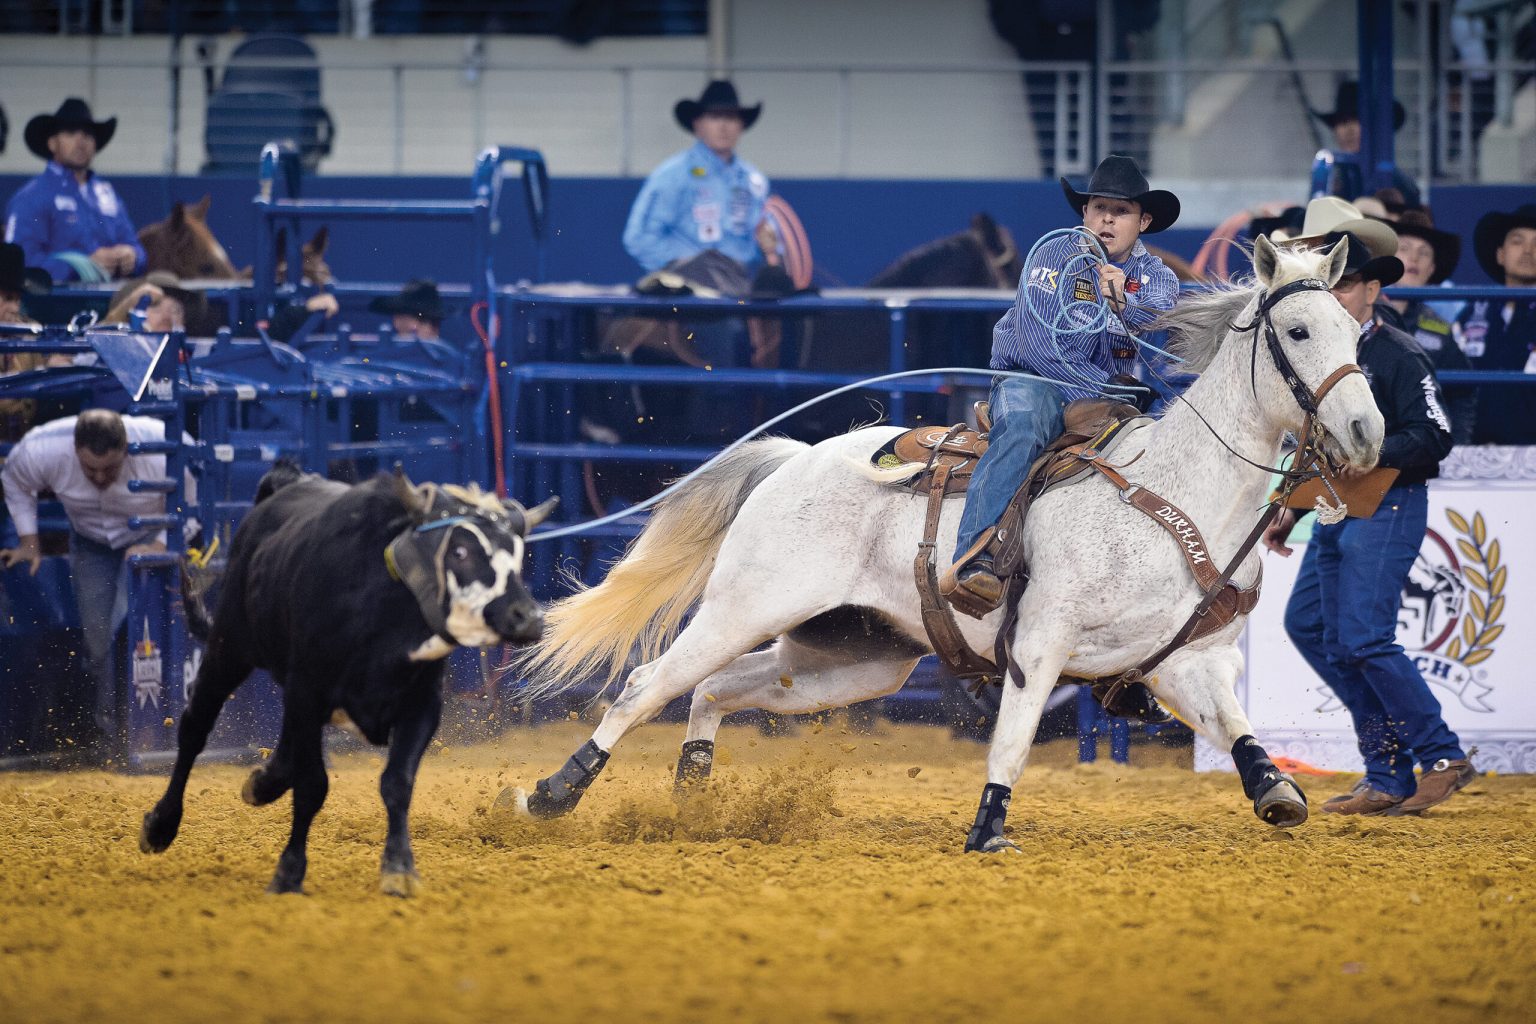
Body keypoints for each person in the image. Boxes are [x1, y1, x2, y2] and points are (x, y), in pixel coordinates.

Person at [1263, 229, 1474, 816]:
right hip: (1345, 507)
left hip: (1388, 503)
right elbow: (1315, 441)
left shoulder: (1399, 353)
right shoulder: (1332, 352)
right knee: (1316, 628)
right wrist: (1292, 505)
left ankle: (1440, 755)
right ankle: (1388, 773)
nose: (1336, 292)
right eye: (1331, 282)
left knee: (1357, 637)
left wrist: (1375, 455)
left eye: (1348, 282)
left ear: (1373, 290)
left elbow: (1436, 435)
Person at [942, 154, 1180, 613]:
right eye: (1099, 208)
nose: (1107, 219)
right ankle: (974, 558)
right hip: (1033, 381)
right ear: (1085, 213)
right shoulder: (1053, 254)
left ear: (1144, 221)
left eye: (1122, 211)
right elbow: (1039, 347)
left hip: (1107, 394)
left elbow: (1160, 316)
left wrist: (1124, 305)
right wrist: (1105, 391)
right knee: (1024, 426)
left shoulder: (1155, 276)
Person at [0, 410, 181, 761]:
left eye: (109, 468)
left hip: (147, 538)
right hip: (90, 542)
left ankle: (149, 733)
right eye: (89, 469)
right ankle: (111, 738)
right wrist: (29, 541)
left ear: (126, 448)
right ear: (74, 449)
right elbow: (14, 479)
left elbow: (194, 487)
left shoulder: (160, 443)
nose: (99, 477)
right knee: (99, 640)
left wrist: (161, 541)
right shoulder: (41, 448)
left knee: (140, 636)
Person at [622, 80, 779, 279]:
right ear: (698, 125)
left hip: (739, 284)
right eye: (714, 117)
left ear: (741, 125)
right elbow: (639, 237)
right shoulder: (673, 174)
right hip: (687, 288)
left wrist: (769, 246)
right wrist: (681, 268)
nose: (723, 126)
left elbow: (766, 241)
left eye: (731, 117)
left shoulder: (752, 179)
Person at [4, 99, 144, 284]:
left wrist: (132, 256)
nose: (81, 141)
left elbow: (135, 246)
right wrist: (81, 266)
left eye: (88, 134)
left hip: (112, 297)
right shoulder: (31, 197)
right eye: (70, 132)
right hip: (60, 300)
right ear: (52, 143)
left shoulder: (107, 194)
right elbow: (20, 263)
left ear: (95, 144)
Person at [1372, 211, 1476, 444]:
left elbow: (1463, 391)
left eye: (1424, 252)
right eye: (1405, 248)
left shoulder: (1440, 328)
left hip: (1416, 448)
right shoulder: (1359, 313)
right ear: (1386, 259)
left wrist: (1458, 445)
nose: (1414, 258)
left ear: (1431, 270)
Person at [1453, 203, 1536, 445]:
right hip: (1471, 451)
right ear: (1500, 254)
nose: (1528, 251)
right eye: (1517, 241)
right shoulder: (1473, 312)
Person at [1309, 81, 1422, 210]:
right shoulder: (1330, 177)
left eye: (1357, 120)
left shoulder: (1398, 183)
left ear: (1375, 127)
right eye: (1343, 121)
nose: (1349, 129)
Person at [368, 278, 445, 340]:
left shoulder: (446, 353)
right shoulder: (376, 355)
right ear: (397, 320)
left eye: (422, 320)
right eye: (415, 317)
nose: (414, 326)